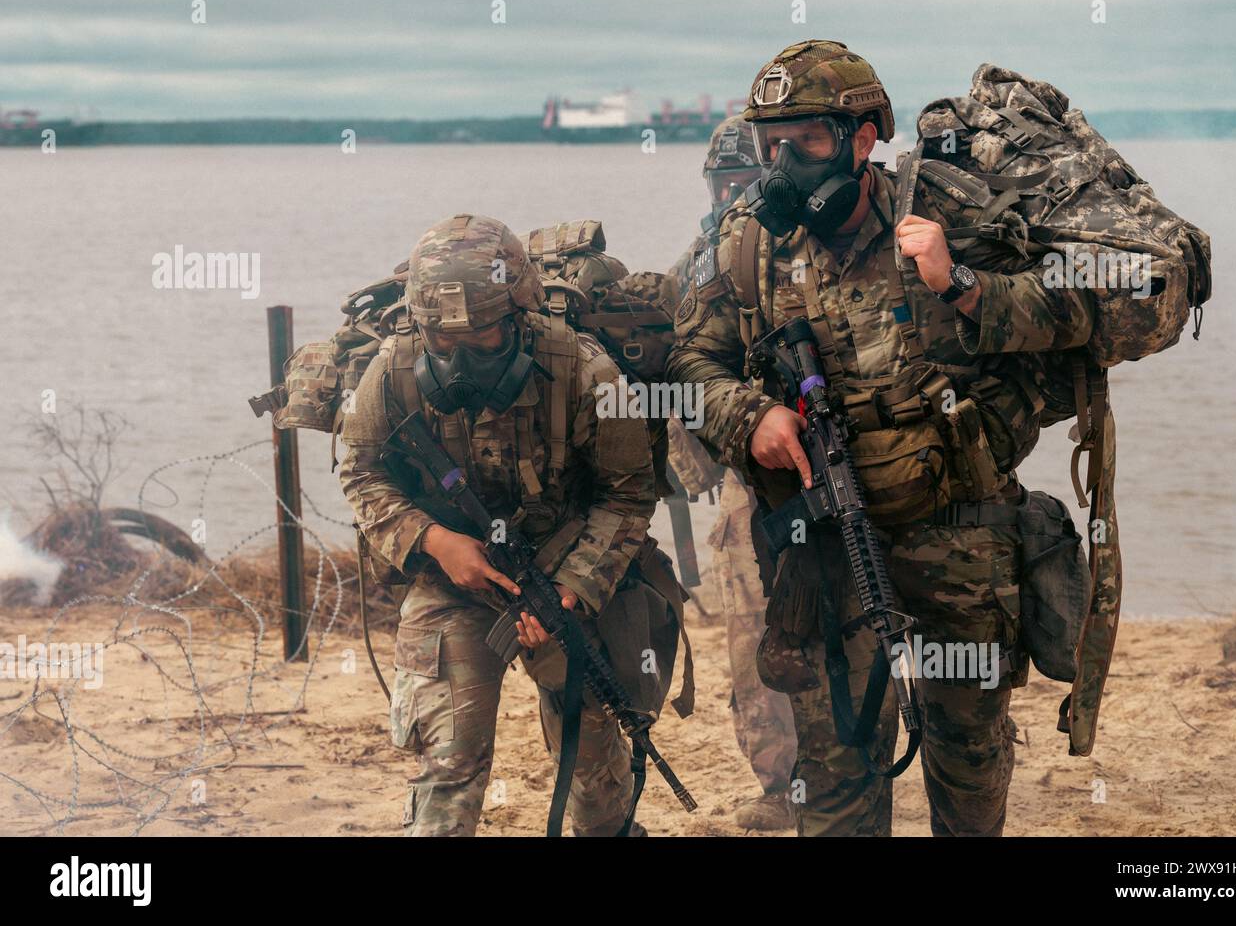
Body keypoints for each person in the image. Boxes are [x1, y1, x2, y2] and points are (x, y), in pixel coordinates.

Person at [666, 40, 1090, 836]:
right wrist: (746, 416)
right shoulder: (746, 244)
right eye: (771, 142)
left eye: (809, 140)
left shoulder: (947, 218)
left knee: (969, 764)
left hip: (959, 542)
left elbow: (1082, 325)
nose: (786, 161)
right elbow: (690, 362)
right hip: (825, 556)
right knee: (835, 774)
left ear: (865, 137)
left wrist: (964, 285)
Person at [339, 213, 682, 836]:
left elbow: (628, 492)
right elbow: (361, 472)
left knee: (595, 777)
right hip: (455, 583)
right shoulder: (392, 370)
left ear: (520, 314)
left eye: (484, 338)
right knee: (449, 766)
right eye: (444, 342)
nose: (461, 357)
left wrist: (573, 586)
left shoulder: (585, 370)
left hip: (563, 580)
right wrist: (434, 541)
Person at [666, 115, 797, 831]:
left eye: (749, 180)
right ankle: (781, 785)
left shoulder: (819, 240)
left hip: (838, 459)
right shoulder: (703, 256)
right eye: (726, 182)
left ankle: (862, 760)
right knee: (752, 637)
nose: (737, 195)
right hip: (749, 475)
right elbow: (679, 359)